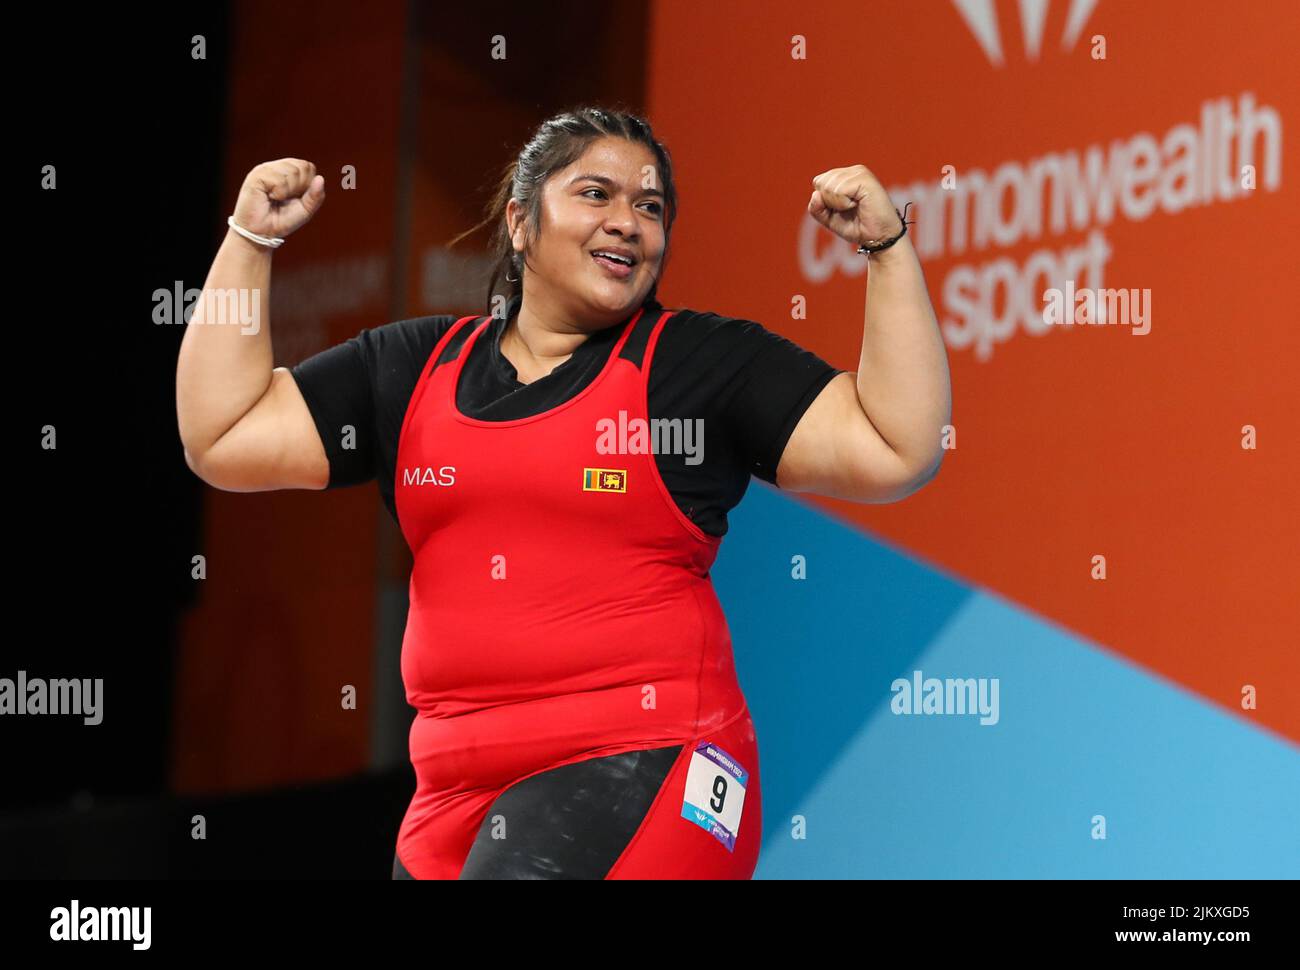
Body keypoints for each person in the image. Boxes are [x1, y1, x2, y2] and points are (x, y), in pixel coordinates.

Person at [176, 106, 951, 879]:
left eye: (650, 208)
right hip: (450, 792)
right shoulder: (413, 369)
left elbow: (896, 445)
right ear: (520, 221)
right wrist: (250, 242)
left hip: (650, 760)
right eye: (596, 195)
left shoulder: (694, 367)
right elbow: (224, 436)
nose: (627, 223)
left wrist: (886, 251)